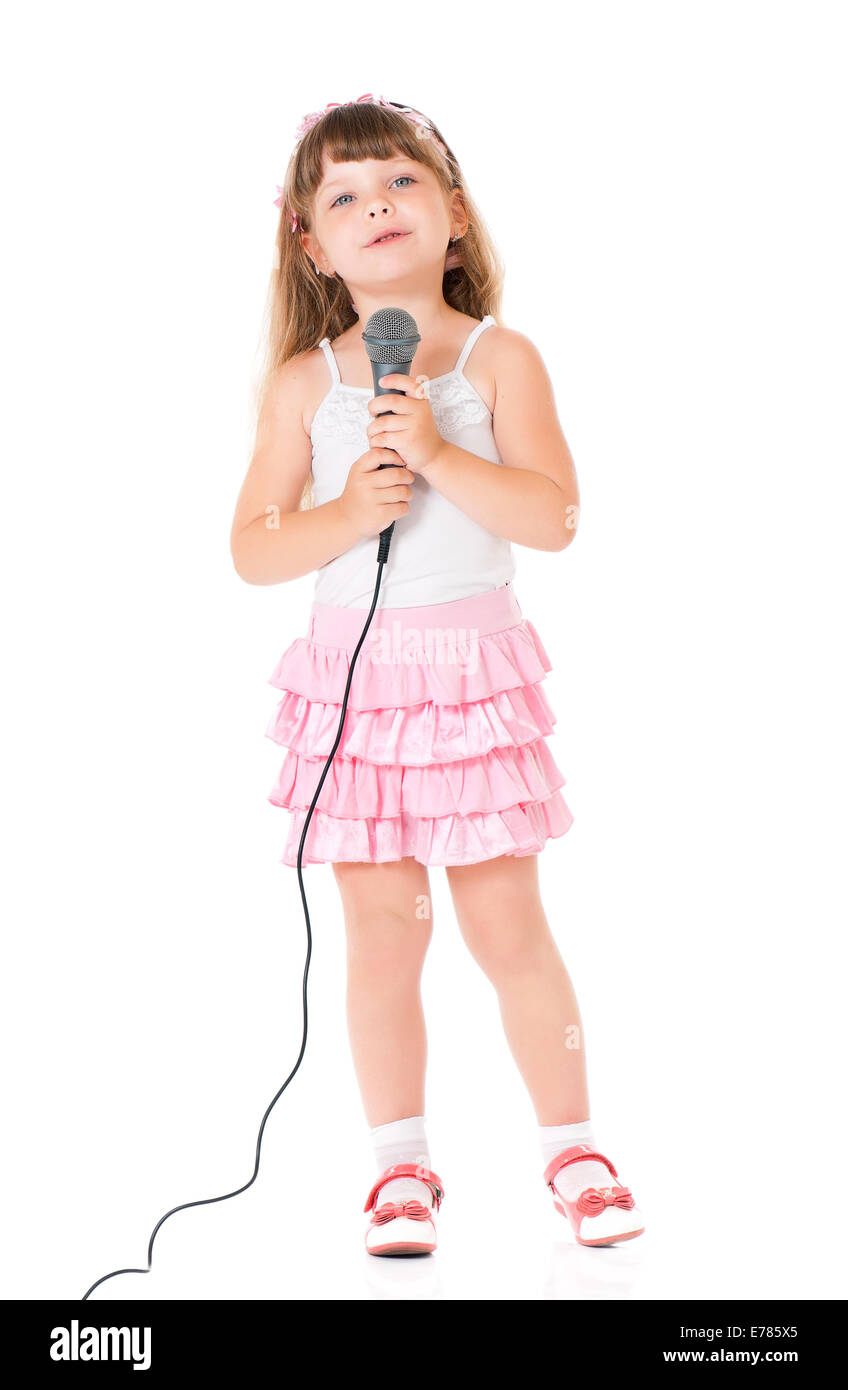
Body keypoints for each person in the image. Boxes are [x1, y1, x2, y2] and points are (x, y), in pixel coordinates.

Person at [229, 93, 645, 1257]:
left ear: (452, 212)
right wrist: (345, 509)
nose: (378, 206)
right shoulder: (306, 383)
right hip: (355, 694)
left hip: (469, 681)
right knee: (380, 931)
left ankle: (574, 1148)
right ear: (311, 245)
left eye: (401, 182)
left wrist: (441, 454)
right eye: (345, 195)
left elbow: (554, 518)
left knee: (506, 920)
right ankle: (399, 1164)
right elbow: (254, 545)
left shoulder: (497, 356)